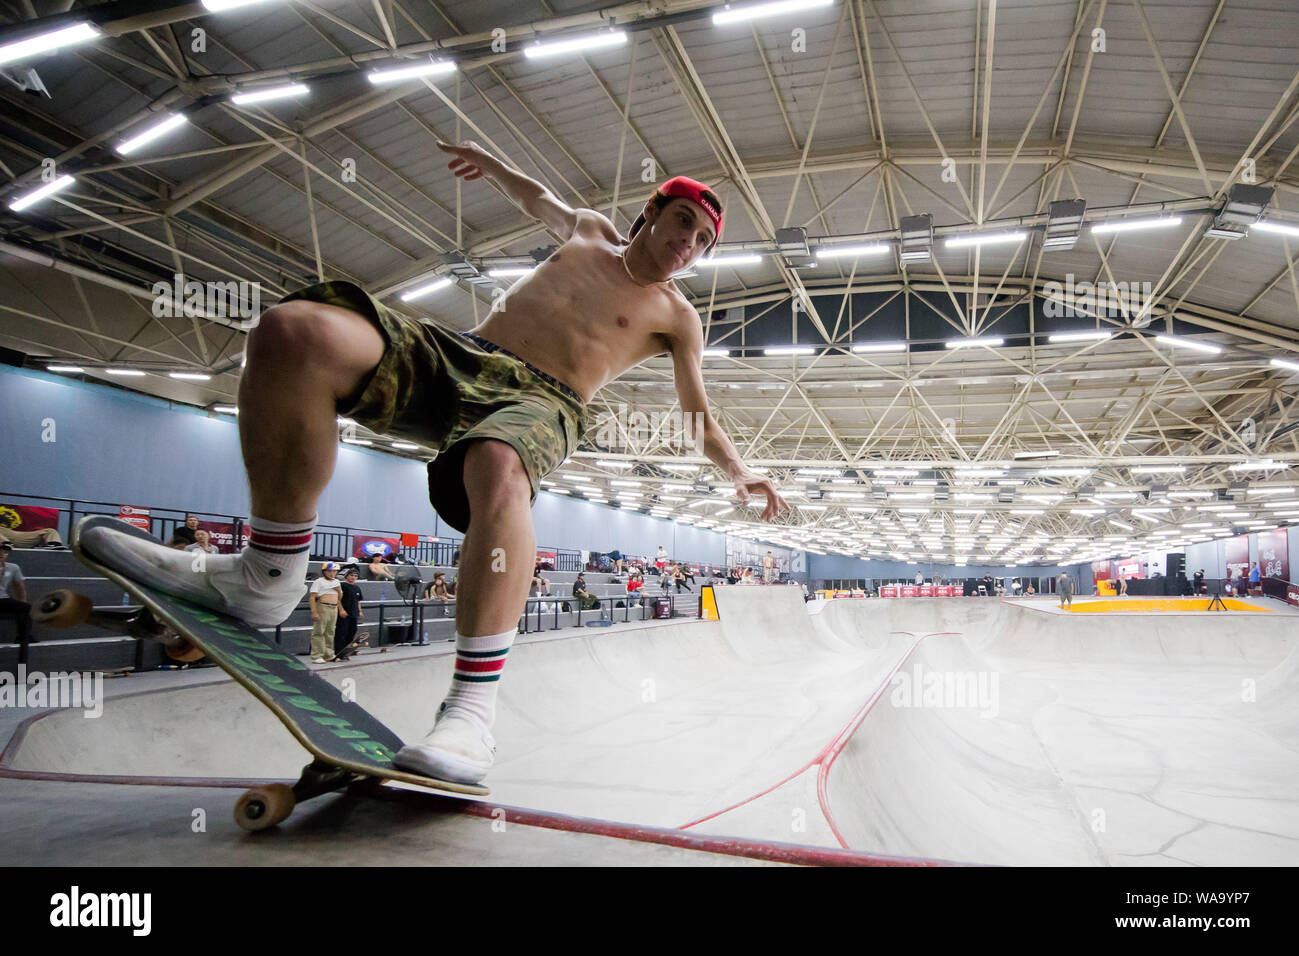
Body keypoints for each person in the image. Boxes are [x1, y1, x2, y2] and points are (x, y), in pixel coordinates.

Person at [75, 154, 786, 786]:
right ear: (652, 212)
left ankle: (472, 715)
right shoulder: (590, 230)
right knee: (294, 330)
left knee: (500, 466)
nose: (686, 246)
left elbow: (695, 411)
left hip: (546, 399)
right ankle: (265, 574)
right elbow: (537, 196)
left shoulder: (676, 316)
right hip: (459, 356)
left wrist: (738, 472)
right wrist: (493, 167)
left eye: (702, 243)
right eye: (683, 222)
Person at [0, 542, 33, 647]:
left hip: (3, 599)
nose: (1, 553)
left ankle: (22, 636)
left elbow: (19, 587)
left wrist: (22, 601)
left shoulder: (13, 567)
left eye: (5, 552)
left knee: (27, 608)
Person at [308, 563, 342, 663]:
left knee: (330, 631)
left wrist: (339, 591)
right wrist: (314, 611)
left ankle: (329, 654)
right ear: (324, 572)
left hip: (334, 607)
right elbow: (312, 597)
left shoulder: (337, 582)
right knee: (319, 631)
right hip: (323, 606)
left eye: (334, 571)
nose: (332, 573)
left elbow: (339, 598)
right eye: (329, 571)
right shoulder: (319, 581)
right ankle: (317, 655)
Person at [334, 568, 364, 660]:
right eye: (351, 575)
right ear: (346, 576)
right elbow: (337, 599)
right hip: (344, 614)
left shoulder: (357, 588)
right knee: (341, 632)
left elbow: (358, 600)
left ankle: (346, 651)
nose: (353, 577)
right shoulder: (342, 585)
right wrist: (341, 610)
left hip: (353, 613)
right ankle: (338, 652)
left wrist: (360, 610)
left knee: (352, 631)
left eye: (355, 576)